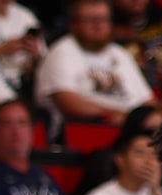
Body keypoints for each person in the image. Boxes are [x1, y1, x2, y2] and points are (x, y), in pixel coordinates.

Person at [34, 0, 152, 129]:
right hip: (86, 131)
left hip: (131, 132)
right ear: (73, 25)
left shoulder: (121, 54)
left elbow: (148, 101)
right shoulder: (61, 53)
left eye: (103, 19)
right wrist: (117, 115)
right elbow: (71, 105)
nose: (98, 26)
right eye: (90, 20)